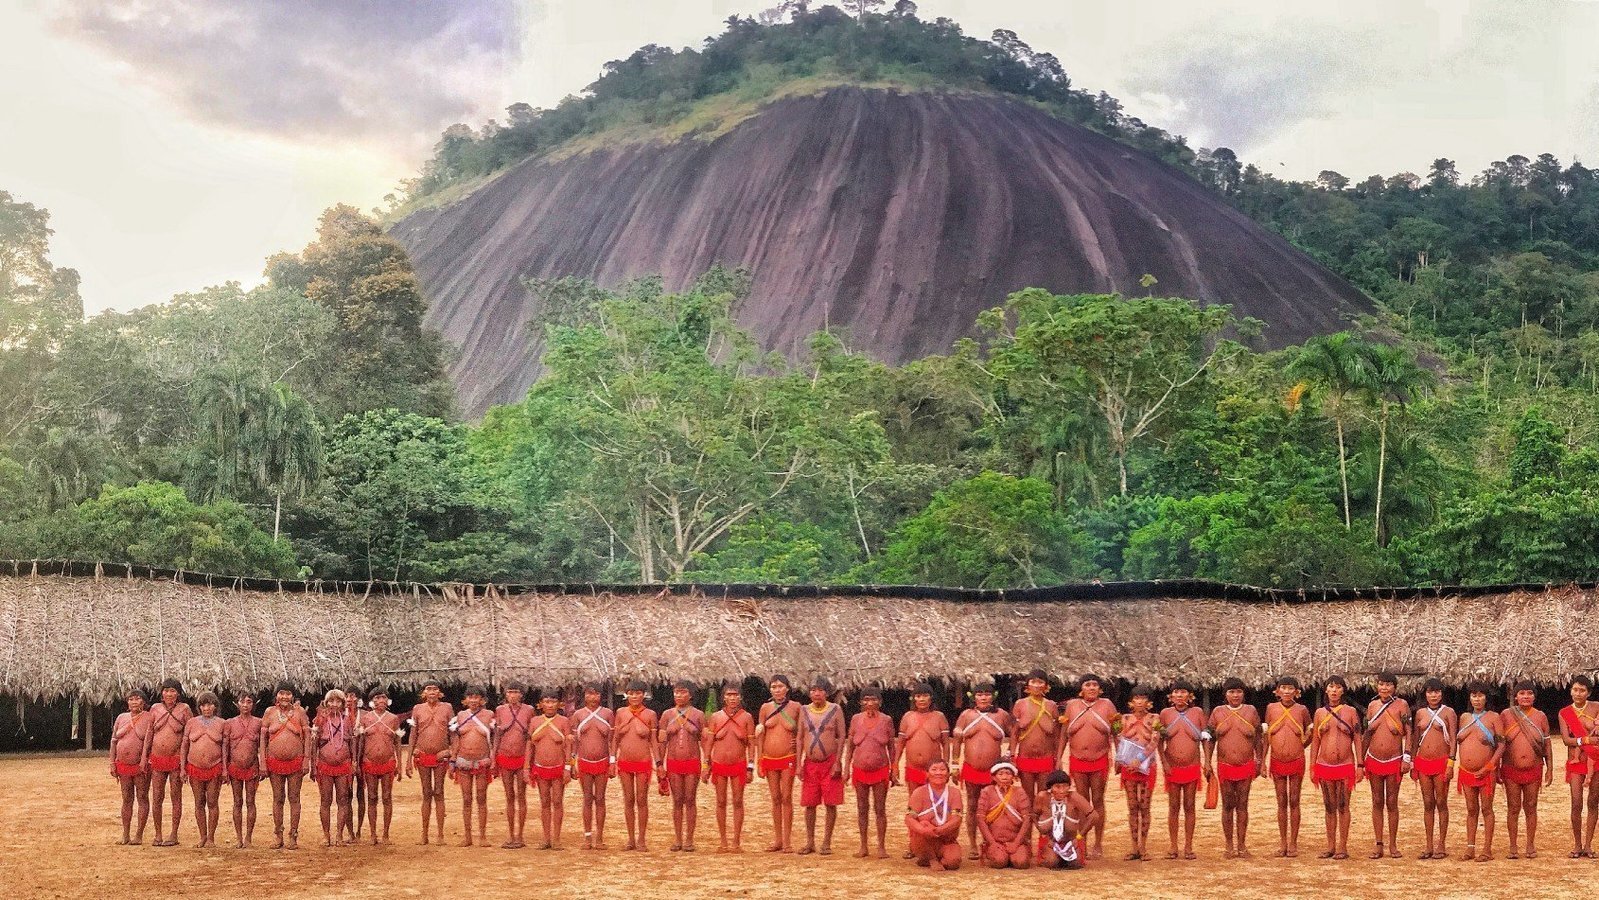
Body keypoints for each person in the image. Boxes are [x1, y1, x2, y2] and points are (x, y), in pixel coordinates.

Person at [952, 682, 1013, 859]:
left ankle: (991, 842)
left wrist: (1010, 755)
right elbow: (956, 740)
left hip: (993, 770)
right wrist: (955, 765)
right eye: (979, 694)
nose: (983, 697)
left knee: (993, 806)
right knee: (972, 806)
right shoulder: (966, 715)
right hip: (971, 768)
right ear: (973, 696)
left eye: (987, 694)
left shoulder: (1002, 715)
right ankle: (972, 843)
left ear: (993, 696)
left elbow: (1015, 734)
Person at [1060, 673, 1117, 859]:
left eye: (1095, 685)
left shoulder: (1107, 705)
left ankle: (1098, 843)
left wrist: (1120, 757)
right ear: (1081, 688)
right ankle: (1081, 840)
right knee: (1082, 801)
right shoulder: (1072, 706)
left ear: (1100, 689)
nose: (1091, 688)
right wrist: (1058, 757)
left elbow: (1116, 733)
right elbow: (1063, 734)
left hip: (1100, 759)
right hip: (1077, 759)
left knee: (1098, 799)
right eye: (1087, 685)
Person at [1206, 677, 1262, 859]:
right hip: (1225, 765)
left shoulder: (1251, 711)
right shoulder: (1217, 712)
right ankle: (1229, 845)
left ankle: (1242, 845)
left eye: (1238, 691)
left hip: (1246, 765)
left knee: (1243, 805)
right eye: (1231, 692)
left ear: (1243, 693)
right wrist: (1207, 762)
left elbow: (1258, 738)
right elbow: (1210, 739)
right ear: (1225, 694)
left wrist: (1259, 760)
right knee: (1227, 805)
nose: (1235, 695)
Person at [1308, 675, 1362, 860]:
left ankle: (1342, 846)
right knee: (1329, 805)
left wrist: (1360, 765)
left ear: (1343, 691)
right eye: (1331, 687)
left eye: (1338, 687)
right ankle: (1330, 845)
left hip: (1345, 764)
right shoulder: (1319, 714)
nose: (1334, 690)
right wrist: (1312, 765)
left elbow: (1357, 738)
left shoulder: (1351, 712)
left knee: (1343, 805)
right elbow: (1315, 740)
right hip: (1324, 764)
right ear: (1326, 690)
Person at [1500, 680, 1552, 859]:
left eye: (1529, 693)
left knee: (1531, 806)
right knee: (1513, 807)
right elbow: (1499, 743)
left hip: (1534, 767)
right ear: (1515, 696)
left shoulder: (1540, 716)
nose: (1526, 697)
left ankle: (1530, 844)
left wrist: (1550, 769)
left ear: (1534, 696)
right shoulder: (1506, 715)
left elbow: (1547, 744)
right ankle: (1513, 845)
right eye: (1522, 693)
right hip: (1510, 768)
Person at [1362, 672, 1411, 859]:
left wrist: (1407, 757)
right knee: (1376, 801)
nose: (1384, 688)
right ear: (1377, 686)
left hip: (1394, 760)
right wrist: (1360, 760)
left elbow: (1408, 731)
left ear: (1395, 687)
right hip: (1374, 759)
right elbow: (1367, 733)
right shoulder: (1372, 706)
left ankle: (1393, 844)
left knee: (1391, 802)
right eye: (1381, 684)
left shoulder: (1402, 705)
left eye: (1388, 685)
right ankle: (1378, 843)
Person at [846, 685, 898, 859]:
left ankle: (881, 847)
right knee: (862, 808)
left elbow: (891, 746)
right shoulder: (855, 719)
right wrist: (846, 768)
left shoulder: (886, 720)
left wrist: (894, 769)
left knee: (880, 808)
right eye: (866, 699)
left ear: (880, 702)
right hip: (860, 769)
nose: (870, 703)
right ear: (861, 702)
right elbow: (850, 746)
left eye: (874, 699)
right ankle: (863, 846)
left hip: (880, 769)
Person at [258, 683, 311, 850]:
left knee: (294, 798)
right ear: (276, 695)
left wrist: (306, 760)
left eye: (288, 694)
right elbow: (263, 739)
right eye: (281, 693)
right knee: (278, 798)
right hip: (274, 762)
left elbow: (308, 737)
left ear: (292, 696)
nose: (285, 697)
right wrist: (263, 762)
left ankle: (293, 836)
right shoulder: (269, 713)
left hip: (295, 762)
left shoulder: (300, 713)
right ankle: (278, 836)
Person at [797, 676, 846, 856]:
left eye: (820, 690)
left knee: (830, 803)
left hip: (829, 763)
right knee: (809, 804)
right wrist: (798, 764)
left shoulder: (835, 709)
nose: (816, 693)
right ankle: (810, 842)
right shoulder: (804, 710)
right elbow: (801, 737)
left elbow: (841, 737)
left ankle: (826, 842)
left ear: (827, 693)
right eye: (813, 690)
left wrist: (838, 762)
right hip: (810, 764)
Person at [705, 682, 755, 853]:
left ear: (740, 697)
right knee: (720, 802)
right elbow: (709, 743)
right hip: (719, 764)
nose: (732, 698)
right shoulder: (716, 718)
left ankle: (736, 841)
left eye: (735, 695)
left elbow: (751, 744)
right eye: (729, 695)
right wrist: (706, 764)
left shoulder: (746, 718)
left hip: (738, 765)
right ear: (723, 697)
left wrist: (750, 767)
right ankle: (723, 840)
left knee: (738, 801)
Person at [1263, 675, 1311, 857]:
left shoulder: (1302, 710)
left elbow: (1311, 732)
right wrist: (1262, 761)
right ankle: (1283, 842)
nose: (1286, 691)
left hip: (1296, 760)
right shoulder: (1271, 709)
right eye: (1283, 688)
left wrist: (1301, 747)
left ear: (1297, 692)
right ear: (1277, 691)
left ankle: (1293, 843)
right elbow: (1266, 737)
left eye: (1290, 688)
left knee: (1294, 800)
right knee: (1281, 801)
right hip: (1276, 760)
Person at [141, 678, 192, 847]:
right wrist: (144, 757)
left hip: (176, 759)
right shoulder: (155, 709)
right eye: (166, 690)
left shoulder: (184, 710)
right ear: (161, 693)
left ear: (178, 693)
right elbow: (149, 734)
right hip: (157, 758)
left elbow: (189, 737)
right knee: (157, 796)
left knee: (175, 796)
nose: (169, 694)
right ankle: (158, 834)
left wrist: (186, 764)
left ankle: (174, 833)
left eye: (173, 691)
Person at [1158, 680, 1205, 860]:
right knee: (1174, 806)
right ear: (1171, 696)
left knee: (1190, 805)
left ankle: (1188, 846)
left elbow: (1205, 739)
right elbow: (1159, 742)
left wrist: (1207, 762)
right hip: (1172, 767)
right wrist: (1164, 763)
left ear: (1190, 696)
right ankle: (1173, 845)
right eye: (1176, 692)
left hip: (1192, 766)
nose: (1179, 695)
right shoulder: (1165, 714)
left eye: (1183, 692)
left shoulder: (1198, 713)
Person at [755, 674, 802, 852]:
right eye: (773, 687)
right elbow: (760, 735)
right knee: (775, 798)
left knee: (786, 797)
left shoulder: (796, 707)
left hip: (788, 757)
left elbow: (802, 731)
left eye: (780, 686)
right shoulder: (765, 708)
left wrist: (797, 748)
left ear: (787, 688)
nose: (777, 690)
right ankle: (778, 839)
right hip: (769, 757)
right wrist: (760, 759)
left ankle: (788, 840)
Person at [1457, 683, 1502, 861]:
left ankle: (1487, 849)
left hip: (1486, 772)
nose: (1477, 699)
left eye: (1480, 695)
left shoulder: (1493, 717)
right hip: (1466, 771)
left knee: (1486, 808)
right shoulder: (1464, 718)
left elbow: (1501, 745)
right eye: (1473, 695)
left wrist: (1489, 767)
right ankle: (1470, 847)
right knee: (1471, 809)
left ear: (1486, 698)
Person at [1411, 677, 1455, 859]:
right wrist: (1412, 762)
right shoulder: (1420, 713)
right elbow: (1415, 739)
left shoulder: (1449, 713)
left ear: (1442, 694)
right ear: (1425, 694)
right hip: (1422, 762)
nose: (1433, 695)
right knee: (1428, 803)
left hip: (1441, 762)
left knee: (1441, 802)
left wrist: (1451, 763)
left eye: (1437, 692)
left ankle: (1441, 844)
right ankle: (1429, 845)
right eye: (1430, 692)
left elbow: (1452, 739)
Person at [657, 681, 705, 852]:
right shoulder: (667, 715)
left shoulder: (698, 715)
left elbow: (705, 740)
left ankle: (689, 839)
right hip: (673, 761)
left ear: (690, 695)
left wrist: (706, 763)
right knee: (677, 800)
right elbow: (661, 741)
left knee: (690, 799)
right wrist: (659, 763)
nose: (679, 695)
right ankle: (678, 839)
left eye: (683, 692)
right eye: (676, 692)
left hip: (692, 760)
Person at [610, 680, 657, 851]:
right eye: (630, 693)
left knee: (642, 799)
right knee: (628, 800)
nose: (634, 696)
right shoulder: (621, 713)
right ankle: (630, 839)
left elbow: (653, 741)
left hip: (643, 761)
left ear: (644, 695)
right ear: (626, 695)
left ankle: (642, 839)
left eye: (637, 693)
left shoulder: (650, 714)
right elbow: (616, 738)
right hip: (625, 762)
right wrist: (612, 760)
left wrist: (659, 763)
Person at [1114, 685, 1158, 860]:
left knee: (1145, 806)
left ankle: (1143, 846)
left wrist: (1139, 759)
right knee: (1132, 807)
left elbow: (1154, 742)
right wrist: (1121, 760)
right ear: (1131, 702)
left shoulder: (1155, 718)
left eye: (1143, 698)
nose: (1140, 701)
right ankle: (1134, 847)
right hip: (1129, 767)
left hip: (1146, 766)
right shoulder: (1123, 719)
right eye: (1136, 698)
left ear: (1149, 702)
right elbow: (1119, 740)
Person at [406, 680, 452, 845]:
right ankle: (424, 834)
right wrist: (408, 760)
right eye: (428, 689)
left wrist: (450, 752)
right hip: (422, 756)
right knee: (426, 793)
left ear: (439, 693)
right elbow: (413, 734)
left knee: (439, 792)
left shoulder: (447, 708)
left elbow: (453, 733)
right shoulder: (417, 709)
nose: (432, 692)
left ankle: (440, 835)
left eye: (435, 689)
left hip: (441, 757)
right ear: (424, 693)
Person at [570, 682, 615, 850]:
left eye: (596, 694)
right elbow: (574, 742)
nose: (592, 697)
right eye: (589, 694)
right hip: (584, 761)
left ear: (600, 696)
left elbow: (611, 740)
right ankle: (588, 836)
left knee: (601, 799)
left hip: (602, 761)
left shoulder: (608, 714)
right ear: (584, 696)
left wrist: (612, 761)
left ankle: (600, 837)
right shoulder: (578, 715)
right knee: (587, 798)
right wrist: (572, 762)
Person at [1558, 675, 1599, 857]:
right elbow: (1567, 740)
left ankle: (1588, 845)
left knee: (1593, 801)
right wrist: (1586, 739)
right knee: (1576, 802)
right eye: (1575, 689)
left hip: (1596, 760)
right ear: (1571, 690)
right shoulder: (1564, 712)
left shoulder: (1597, 707)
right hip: (1576, 763)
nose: (1578, 693)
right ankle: (1577, 844)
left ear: (1588, 692)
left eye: (1582, 690)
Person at [449, 685, 495, 847]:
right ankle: (467, 836)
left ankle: (482, 836)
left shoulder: (489, 715)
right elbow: (456, 740)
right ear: (465, 699)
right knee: (466, 799)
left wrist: (493, 759)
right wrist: (453, 760)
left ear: (483, 700)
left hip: (482, 761)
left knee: (481, 798)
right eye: (470, 697)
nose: (473, 700)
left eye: (477, 697)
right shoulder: (460, 716)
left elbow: (494, 740)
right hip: (463, 761)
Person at [356, 687, 403, 845]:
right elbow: (361, 743)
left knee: (387, 797)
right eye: (377, 698)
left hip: (388, 762)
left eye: (383, 697)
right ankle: (373, 834)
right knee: (372, 797)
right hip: (369, 763)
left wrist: (400, 765)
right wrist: (358, 762)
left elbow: (397, 743)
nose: (380, 701)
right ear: (371, 701)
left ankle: (386, 834)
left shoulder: (393, 719)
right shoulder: (366, 719)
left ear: (388, 700)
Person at [180, 691, 227, 848]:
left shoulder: (222, 723)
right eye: (203, 705)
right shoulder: (192, 723)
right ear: (199, 707)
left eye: (210, 704)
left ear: (215, 706)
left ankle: (211, 838)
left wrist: (225, 769)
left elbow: (225, 748)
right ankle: (202, 836)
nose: (207, 708)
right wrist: (182, 768)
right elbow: (184, 746)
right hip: (194, 766)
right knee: (199, 802)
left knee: (212, 802)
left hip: (215, 766)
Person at [312, 689, 357, 847]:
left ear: (343, 704)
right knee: (325, 801)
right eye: (331, 701)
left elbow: (352, 742)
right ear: (326, 703)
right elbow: (314, 744)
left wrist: (354, 761)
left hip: (343, 766)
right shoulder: (320, 720)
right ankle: (326, 835)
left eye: (338, 701)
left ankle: (339, 835)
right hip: (324, 766)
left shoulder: (348, 720)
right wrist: (313, 765)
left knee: (343, 800)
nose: (334, 704)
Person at [493, 680, 534, 849]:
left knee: (521, 795)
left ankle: (520, 835)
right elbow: (497, 736)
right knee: (509, 796)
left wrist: (528, 762)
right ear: (505, 694)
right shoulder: (500, 710)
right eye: (510, 692)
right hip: (504, 756)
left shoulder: (529, 711)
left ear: (521, 694)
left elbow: (530, 737)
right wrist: (493, 755)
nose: (513, 695)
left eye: (516, 692)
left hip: (521, 757)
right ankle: (510, 834)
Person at [529, 689, 571, 849]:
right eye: (546, 702)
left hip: (558, 767)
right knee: (544, 802)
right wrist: (527, 767)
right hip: (540, 767)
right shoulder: (534, 722)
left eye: (553, 702)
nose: (550, 705)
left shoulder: (564, 721)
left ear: (559, 704)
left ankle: (557, 838)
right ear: (540, 705)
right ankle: (546, 838)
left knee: (558, 801)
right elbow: (530, 746)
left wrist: (568, 768)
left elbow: (568, 746)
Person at [110, 689, 151, 845]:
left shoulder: (148, 718)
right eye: (131, 699)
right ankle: (125, 834)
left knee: (142, 797)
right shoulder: (121, 718)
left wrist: (143, 761)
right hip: (122, 764)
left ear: (143, 702)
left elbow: (148, 742)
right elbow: (114, 741)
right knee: (126, 799)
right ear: (127, 702)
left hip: (140, 766)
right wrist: (112, 762)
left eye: (137, 699)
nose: (134, 702)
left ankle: (139, 835)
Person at [905, 759, 963, 870]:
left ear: (948, 774)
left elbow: (957, 819)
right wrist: (923, 830)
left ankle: (936, 857)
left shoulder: (954, 793)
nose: (938, 773)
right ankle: (930, 858)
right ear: (927, 774)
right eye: (934, 769)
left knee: (953, 862)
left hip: (947, 839)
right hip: (924, 839)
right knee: (924, 823)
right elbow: (909, 818)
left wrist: (940, 830)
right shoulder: (919, 792)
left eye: (942, 769)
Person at [223, 691, 262, 849]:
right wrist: (225, 769)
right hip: (234, 767)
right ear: (236, 704)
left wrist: (263, 765)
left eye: (249, 702)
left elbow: (263, 746)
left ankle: (248, 838)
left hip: (252, 767)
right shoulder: (230, 723)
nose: (245, 705)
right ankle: (238, 837)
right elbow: (225, 747)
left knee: (251, 802)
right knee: (237, 802)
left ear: (253, 704)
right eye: (242, 702)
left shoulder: (258, 723)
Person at [1035, 770, 1096, 870]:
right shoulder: (1042, 797)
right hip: (1050, 841)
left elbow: (1094, 816)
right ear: (1050, 788)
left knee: (1076, 864)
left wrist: (1079, 837)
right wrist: (1043, 835)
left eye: (1065, 786)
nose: (1062, 790)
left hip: (1071, 841)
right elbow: (1033, 815)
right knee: (1052, 862)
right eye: (1058, 787)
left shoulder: (1074, 798)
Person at [1011, 670, 1059, 798]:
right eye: (1033, 682)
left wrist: (1058, 758)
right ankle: (1029, 818)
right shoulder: (1020, 704)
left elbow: (1056, 735)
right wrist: (1011, 755)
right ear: (1027, 685)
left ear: (1046, 685)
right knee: (1028, 795)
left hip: (1046, 757)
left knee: (1043, 796)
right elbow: (1015, 733)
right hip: (1025, 757)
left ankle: (1041, 818)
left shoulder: (1051, 706)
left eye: (1040, 682)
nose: (1037, 685)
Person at [975, 760, 1031, 869]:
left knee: (1021, 863)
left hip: (1015, 840)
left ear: (1013, 777)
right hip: (995, 841)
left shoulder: (1020, 792)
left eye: (1008, 773)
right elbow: (980, 819)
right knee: (999, 862)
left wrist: (1016, 843)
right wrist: (992, 843)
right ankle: (997, 853)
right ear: (994, 778)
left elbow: (1027, 819)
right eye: (1000, 774)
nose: (1004, 777)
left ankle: (1014, 853)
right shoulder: (987, 791)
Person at [898, 683, 950, 792]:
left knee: (934, 800)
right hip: (912, 768)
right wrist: (894, 766)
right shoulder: (907, 717)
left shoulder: (939, 717)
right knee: (914, 801)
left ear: (931, 698)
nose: (922, 699)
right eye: (918, 696)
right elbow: (900, 744)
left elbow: (946, 744)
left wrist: (946, 766)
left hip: (934, 769)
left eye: (925, 696)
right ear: (913, 699)